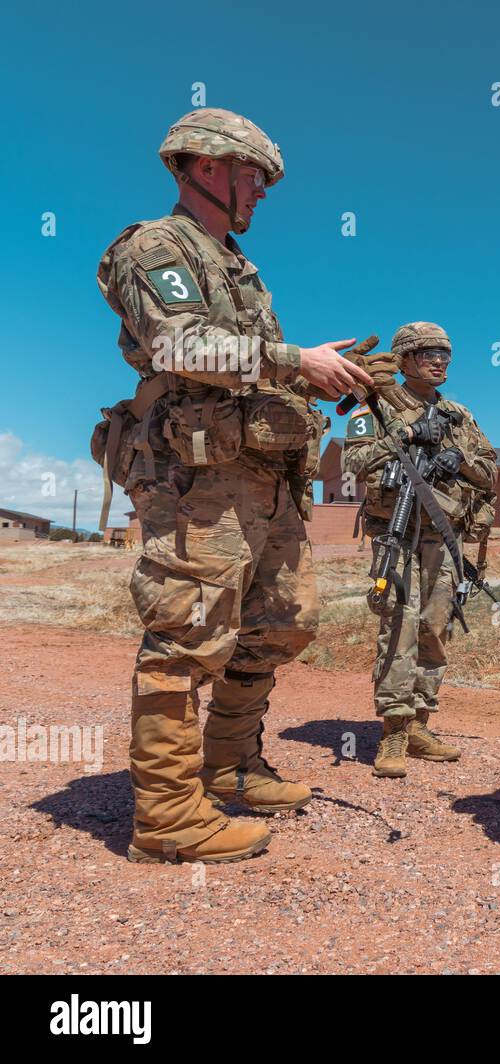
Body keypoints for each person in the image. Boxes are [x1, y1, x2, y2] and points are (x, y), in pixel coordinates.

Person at [97, 108, 374, 863]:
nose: (262, 191)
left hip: (261, 480)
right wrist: (296, 361)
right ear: (208, 165)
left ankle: (229, 765)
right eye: (255, 176)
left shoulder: (239, 269)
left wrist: (328, 381)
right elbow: (178, 343)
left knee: (284, 618)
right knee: (186, 635)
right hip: (196, 480)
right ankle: (166, 816)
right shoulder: (157, 245)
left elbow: (246, 367)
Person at [341, 322, 498, 778]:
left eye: (445, 353)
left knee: (435, 627)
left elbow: (490, 470)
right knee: (399, 625)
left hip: (443, 536)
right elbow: (352, 462)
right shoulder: (374, 405)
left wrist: (458, 459)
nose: (439, 360)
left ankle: (419, 725)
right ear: (404, 360)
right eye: (427, 353)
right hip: (399, 531)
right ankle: (393, 730)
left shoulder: (459, 414)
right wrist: (406, 439)